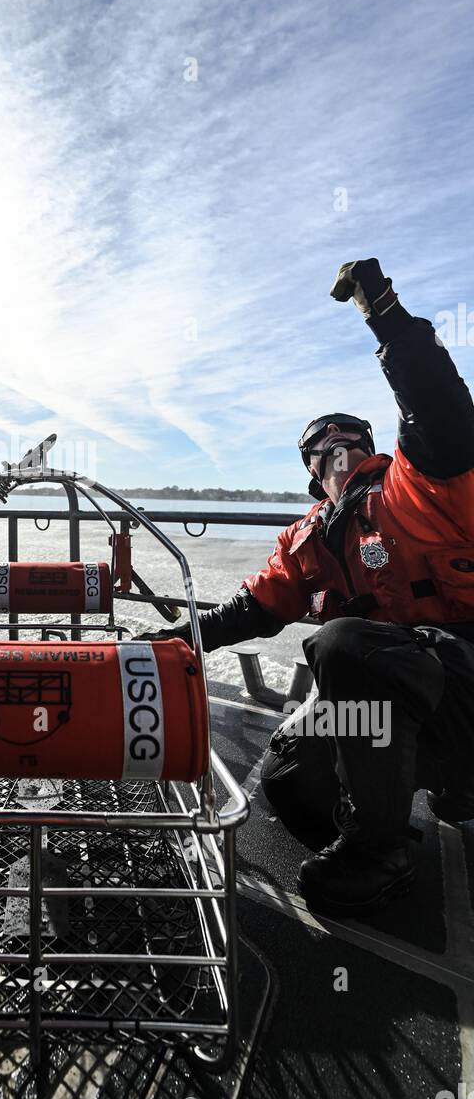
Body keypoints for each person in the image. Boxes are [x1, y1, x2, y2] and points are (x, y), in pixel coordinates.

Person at [141, 259, 474, 915]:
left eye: (346, 437)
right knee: (291, 772)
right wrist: (165, 644)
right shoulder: (309, 542)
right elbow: (245, 612)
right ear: (311, 470)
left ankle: (379, 850)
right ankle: (403, 815)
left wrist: (384, 313)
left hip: (464, 683)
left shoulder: (421, 486)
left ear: (370, 444)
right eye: (322, 445)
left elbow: (440, 407)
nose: (336, 447)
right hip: (400, 714)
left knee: (344, 643)